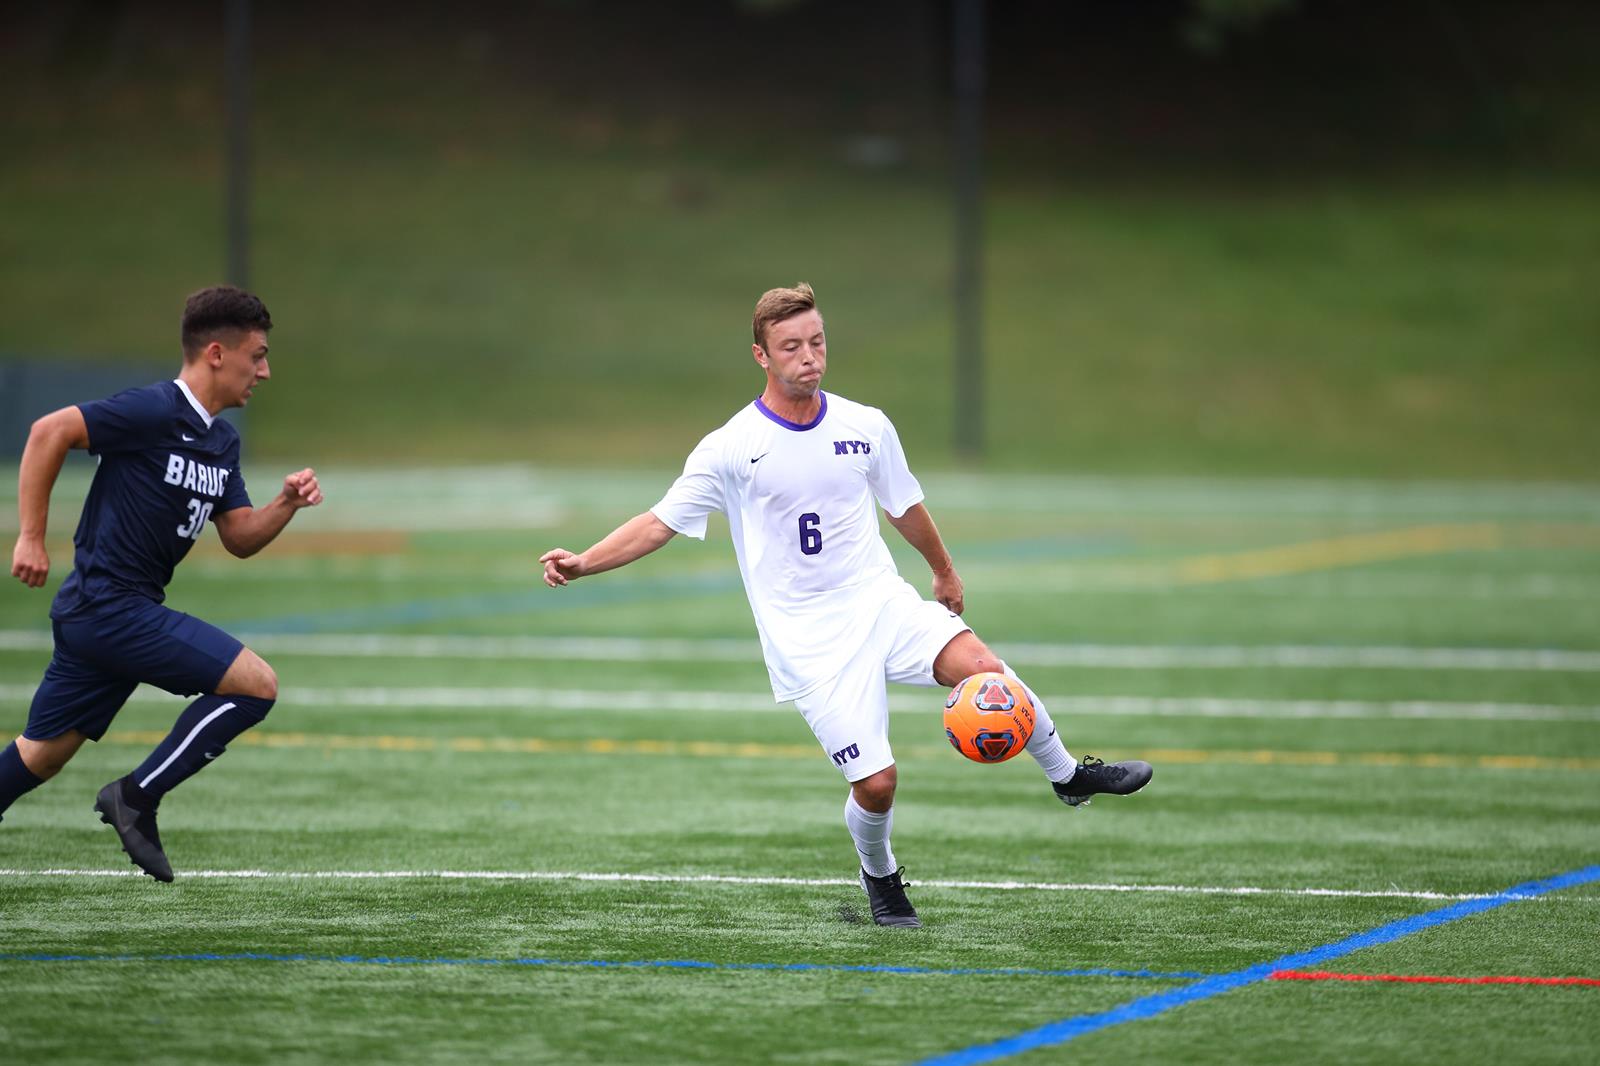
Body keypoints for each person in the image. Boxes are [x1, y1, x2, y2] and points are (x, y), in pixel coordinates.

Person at [540, 283, 1151, 927]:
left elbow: (904, 506)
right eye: (791, 346)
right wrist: (585, 562)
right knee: (877, 785)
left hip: (881, 602)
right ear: (761, 355)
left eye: (817, 341)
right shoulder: (731, 447)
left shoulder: (866, 425)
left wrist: (943, 572)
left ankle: (1067, 777)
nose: (809, 356)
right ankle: (881, 877)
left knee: (987, 669)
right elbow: (659, 523)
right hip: (809, 641)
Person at [3, 285, 323, 882]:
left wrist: (285, 503)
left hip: (108, 615)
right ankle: (136, 797)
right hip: (109, 607)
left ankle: (132, 796)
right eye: (257, 355)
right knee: (256, 686)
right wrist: (30, 536)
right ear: (217, 353)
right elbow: (49, 432)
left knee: (39, 756)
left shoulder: (221, 442)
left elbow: (240, 537)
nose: (266, 371)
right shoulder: (153, 410)